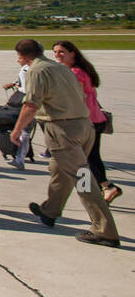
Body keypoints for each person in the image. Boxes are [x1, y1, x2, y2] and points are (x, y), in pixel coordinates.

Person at [12, 39, 119, 247]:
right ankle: (50, 211)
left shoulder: (36, 70)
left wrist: (16, 131)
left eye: (18, 56)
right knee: (58, 169)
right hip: (84, 126)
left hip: (63, 130)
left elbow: (31, 104)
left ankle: (104, 229)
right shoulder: (61, 69)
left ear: (22, 56)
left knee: (82, 177)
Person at [53, 40, 121, 205]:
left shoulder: (75, 74)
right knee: (90, 157)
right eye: (55, 52)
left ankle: (104, 187)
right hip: (94, 119)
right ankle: (103, 188)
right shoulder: (81, 70)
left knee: (85, 159)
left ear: (72, 53)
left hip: (85, 121)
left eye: (61, 51)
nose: (57, 55)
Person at [3, 60, 38, 167]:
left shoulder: (28, 69)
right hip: (36, 104)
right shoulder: (33, 67)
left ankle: (20, 159)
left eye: (19, 56)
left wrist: (18, 88)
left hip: (30, 104)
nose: (18, 60)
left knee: (25, 132)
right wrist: (15, 83)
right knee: (26, 131)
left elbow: (28, 89)